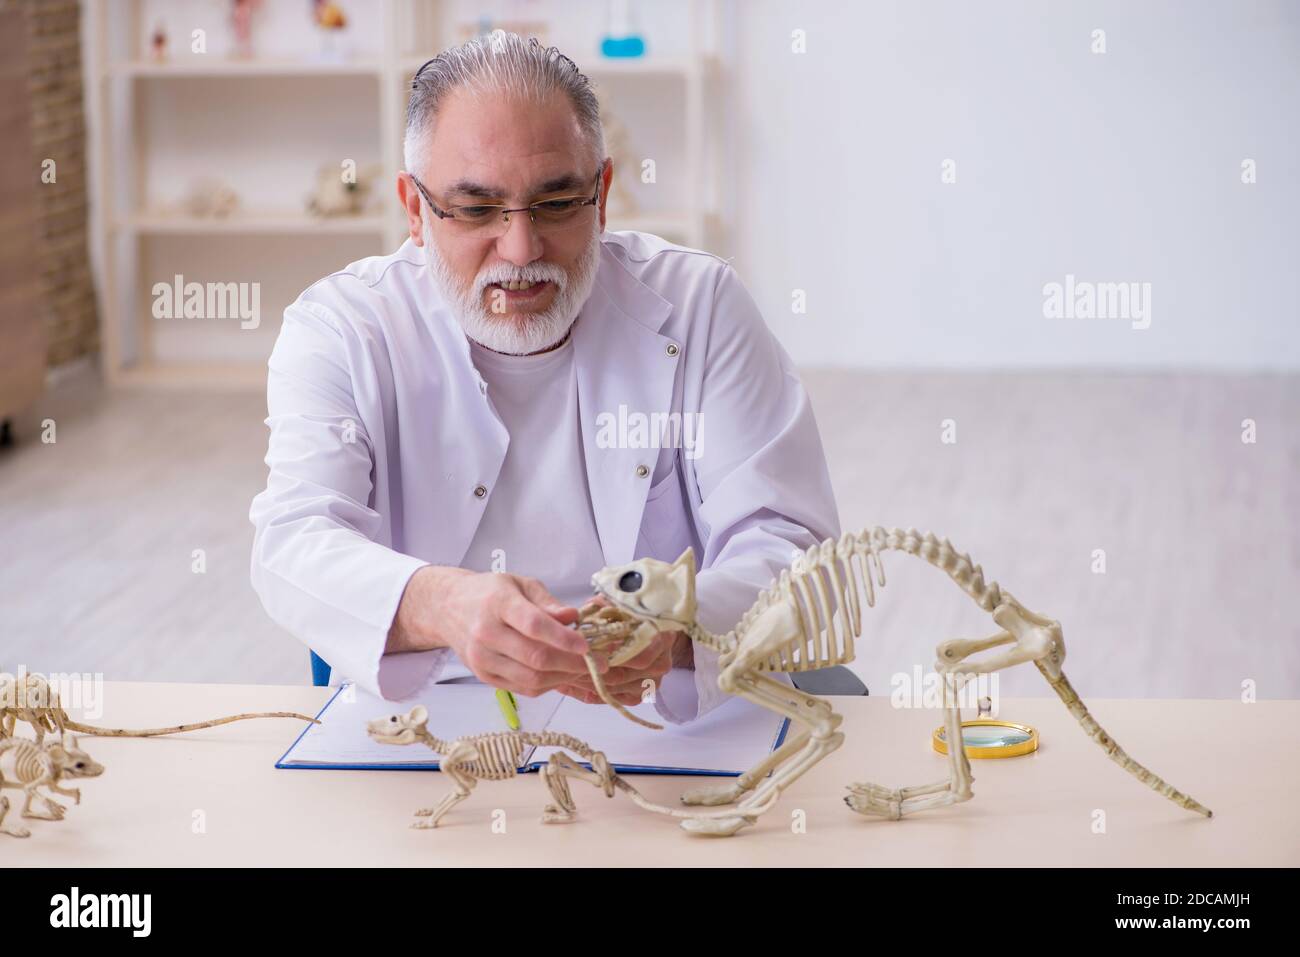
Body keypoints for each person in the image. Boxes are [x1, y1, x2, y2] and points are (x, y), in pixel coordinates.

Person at [248, 30, 840, 725]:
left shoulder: (701, 306)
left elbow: (794, 548)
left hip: (671, 717)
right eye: (476, 210)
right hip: (435, 722)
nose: (522, 248)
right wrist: (444, 604)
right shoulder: (342, 328)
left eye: (557, 203)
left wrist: (679, 628)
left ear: (603, 194)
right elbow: (293, 542)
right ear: (414, 210)